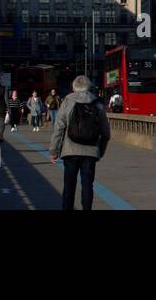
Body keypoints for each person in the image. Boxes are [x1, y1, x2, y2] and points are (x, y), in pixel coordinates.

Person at [50, 75, 111, 211]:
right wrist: (100, 150)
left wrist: (54, 151)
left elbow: (59, 127)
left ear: (74, 87)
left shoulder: (68, 100)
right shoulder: (97, 102)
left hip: (70, 150)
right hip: (90, 151)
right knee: (87, 185)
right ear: (89, 87)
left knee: (69, 186)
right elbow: (106, 132)